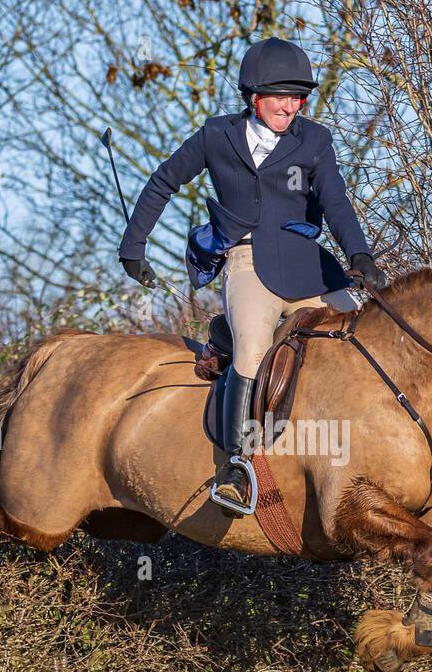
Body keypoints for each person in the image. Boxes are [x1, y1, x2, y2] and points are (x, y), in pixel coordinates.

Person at [118, 37, 387, 512]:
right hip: (247, 261)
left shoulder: (315, 140)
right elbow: (164, 180)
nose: (289, 105)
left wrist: (360, 256)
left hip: (309, 266)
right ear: (253, 96)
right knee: (252, 350)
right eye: (280, 95)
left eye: (297, 96)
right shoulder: (216, 136)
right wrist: (133, 245)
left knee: (361, 336)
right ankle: (238, 468)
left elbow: (336, 202)